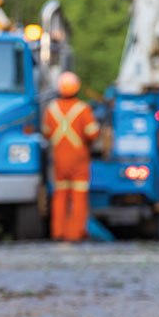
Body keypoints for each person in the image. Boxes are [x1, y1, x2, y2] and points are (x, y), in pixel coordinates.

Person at [42, 71, 100, 241]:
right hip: (79, 160)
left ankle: (58, 232)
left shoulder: (51, 108)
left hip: (59, 159)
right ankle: (75, 233)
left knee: (60, 195)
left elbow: (46, 132)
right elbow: (92, 133)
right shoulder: (83, 109)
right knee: (79, 196)